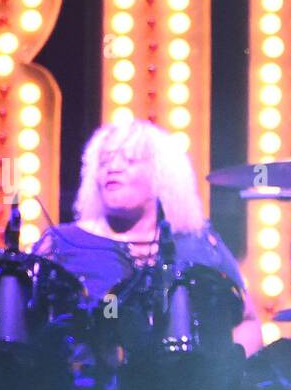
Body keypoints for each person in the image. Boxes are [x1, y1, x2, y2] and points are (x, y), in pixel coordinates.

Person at [35, 118, 261, 353]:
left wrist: (224, 374)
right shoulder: (62, 243)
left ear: (161, 175)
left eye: (129, 160)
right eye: (104, 162)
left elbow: (247, 321)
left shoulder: (199, 243)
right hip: (89, 387)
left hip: (183, 386)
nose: (113, 168)